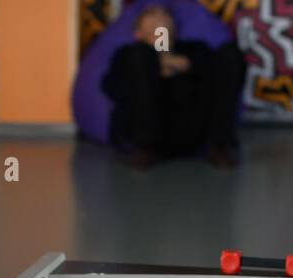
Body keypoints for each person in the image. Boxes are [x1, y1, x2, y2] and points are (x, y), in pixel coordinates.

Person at [102, 2, 246, 169]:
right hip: (149, 129)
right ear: (138, 33)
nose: (159, 17)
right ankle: (145, 148)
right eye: (151, 14)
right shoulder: (127, 54)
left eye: (164, 14)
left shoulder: (196, 49)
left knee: (230, 54)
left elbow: (221, 76)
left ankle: (219, 147)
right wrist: (155, 64)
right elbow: (111, 86)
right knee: (139, 56)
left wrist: (187, 64)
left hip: (193, 127)